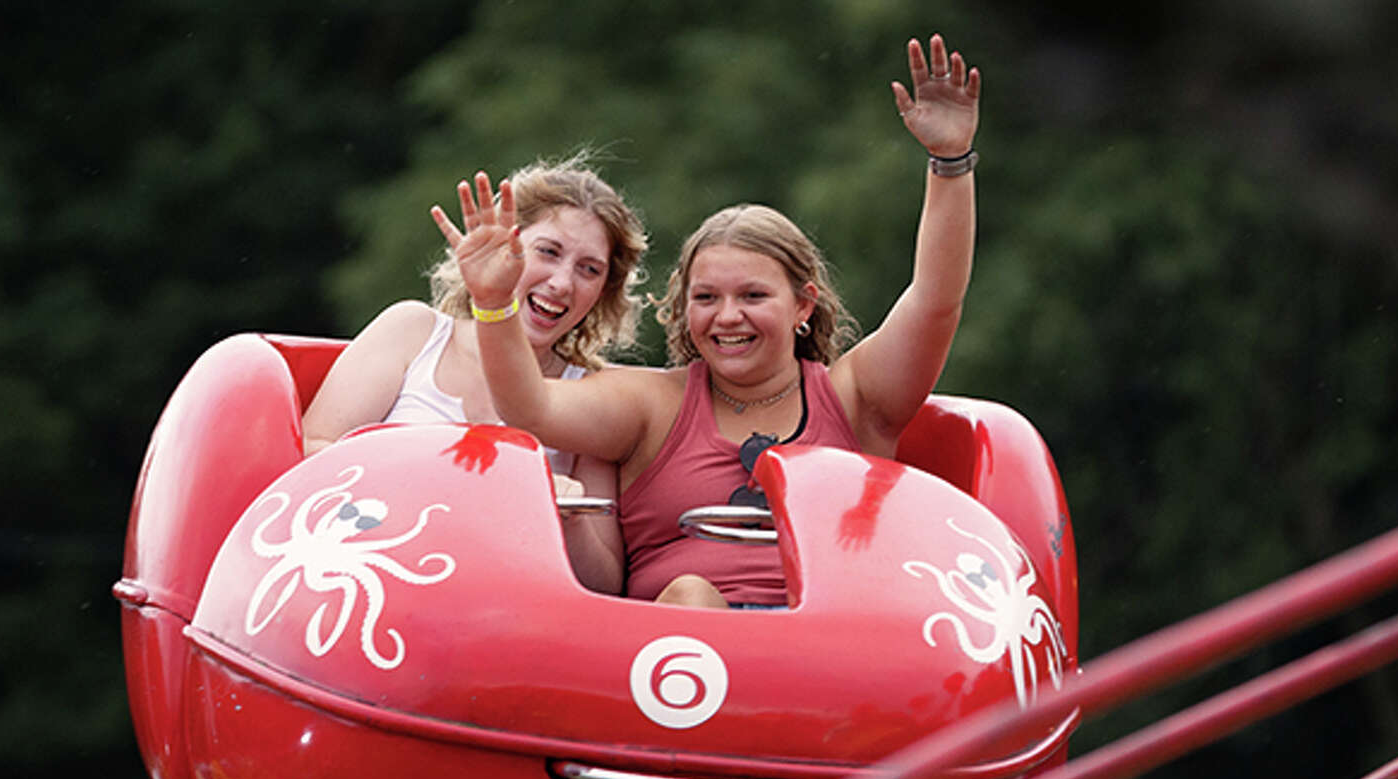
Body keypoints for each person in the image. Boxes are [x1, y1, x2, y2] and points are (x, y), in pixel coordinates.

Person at [452, 34, 981, 608]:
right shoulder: (649, 407)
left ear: (803, 305)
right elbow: (529, 406)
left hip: (829, 648)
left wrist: (950, 163)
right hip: (686, 668)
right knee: (691, 592)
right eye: (706, 297)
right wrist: (495, 302)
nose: (728, 317)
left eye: (753, 295)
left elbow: (935, 299)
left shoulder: (857, 398)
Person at [300, 157, 648, 595]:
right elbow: (313, 450)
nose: (561, 283)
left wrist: (571, 516)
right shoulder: (413, 332)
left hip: (503, 610)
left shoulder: (596, 396)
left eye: (589, 269)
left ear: (603, 293)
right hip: (370, 577)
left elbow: (603, 583)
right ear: (503, 246)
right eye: (549, 252)